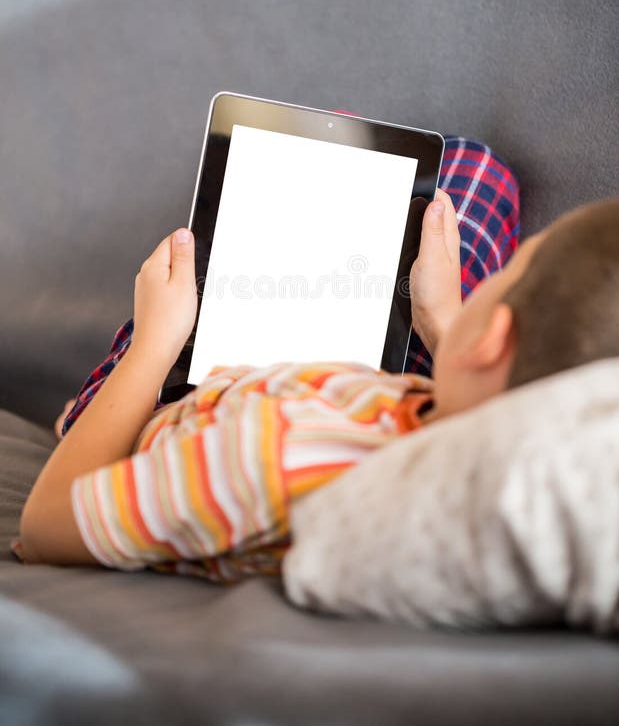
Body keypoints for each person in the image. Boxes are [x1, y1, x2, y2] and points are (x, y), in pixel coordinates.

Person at [14, 136, 560, 578]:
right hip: (362, 390)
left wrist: (156, 341)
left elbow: (44, 530)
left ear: (492, 337)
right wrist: (442, 324)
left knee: (306, 163)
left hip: (187, 412)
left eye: (506, 281)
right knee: (471, 168)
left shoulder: (266, 459)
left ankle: (84, 420)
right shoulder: (491, 444)